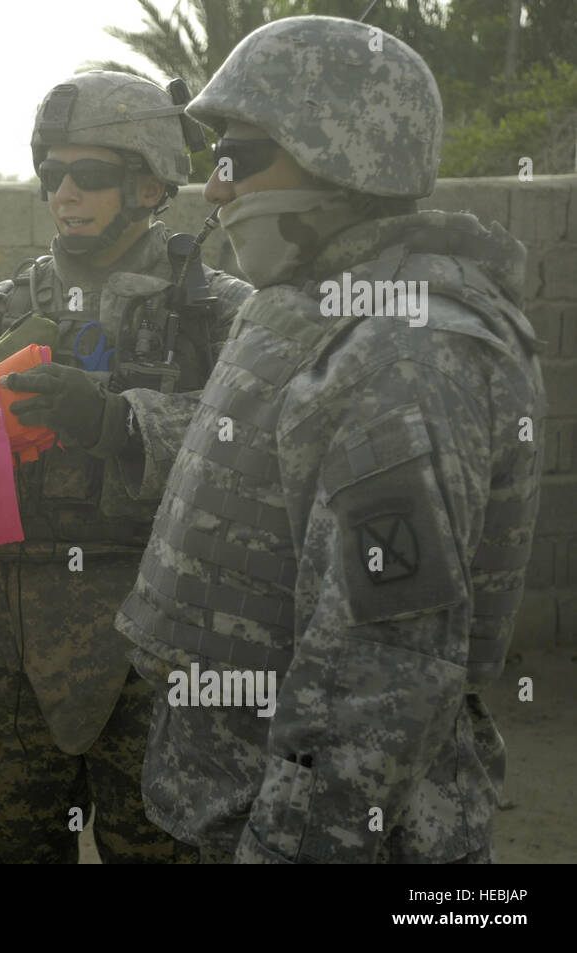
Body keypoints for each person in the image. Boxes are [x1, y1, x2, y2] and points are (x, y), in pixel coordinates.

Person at [113, 15, 546, 863]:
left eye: (237, 159)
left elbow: (379, 680)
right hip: (239, 804)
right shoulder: (318, 300)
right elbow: (250, 462)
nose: (217, 190)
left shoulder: (405, 351)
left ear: (338, 155)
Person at [0, 71, 252, 863]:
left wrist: (112, 419)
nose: (64, 192)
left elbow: (260, 438)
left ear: (150, 183)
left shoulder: (217, 309)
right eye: (50, 173)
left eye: (89, 174)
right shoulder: (0, 309)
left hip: (164, 641)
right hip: (13, 647)